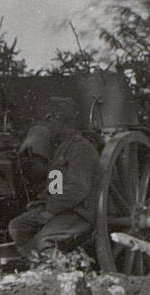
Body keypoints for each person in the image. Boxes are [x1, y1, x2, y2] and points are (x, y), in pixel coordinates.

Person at [8, 97, 97, 260]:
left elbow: (78, 189)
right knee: (17, 227)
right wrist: (42, 202)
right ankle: (37, 264)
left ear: (59, 120)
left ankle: (57, 270)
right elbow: (56, 184)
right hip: (61, 208)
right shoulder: (62, 147)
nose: (47, 127)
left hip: (79, 212)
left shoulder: (82, 148)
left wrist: (51, 210)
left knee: (45, 240)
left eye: (49, 121)